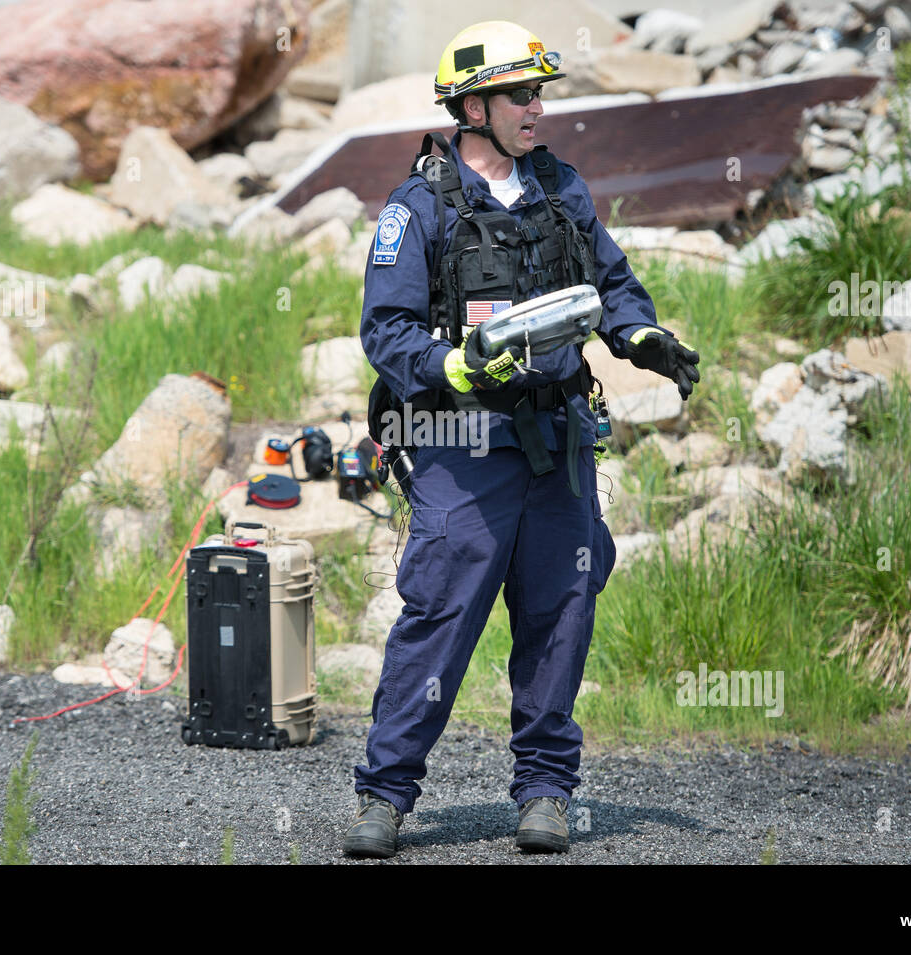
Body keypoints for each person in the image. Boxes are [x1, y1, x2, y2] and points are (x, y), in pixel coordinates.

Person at [343, 20, 700, 858]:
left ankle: (545, 792)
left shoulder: (562, 190)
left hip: (559, 443)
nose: (536, 108)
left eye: (540, 93)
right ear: (474, 106)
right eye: (520, 95)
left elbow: (610, 284)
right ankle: (386, 797)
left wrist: (639, 334)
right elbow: (383, 330)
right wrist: (448, 367)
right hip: (459, 447)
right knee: (441, 613)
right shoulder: (419, 207)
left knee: (562, 612)